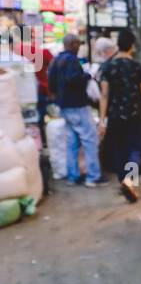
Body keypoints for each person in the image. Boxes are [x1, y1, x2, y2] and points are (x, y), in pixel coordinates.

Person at [98, 27, 141, 203]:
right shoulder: (137, 67)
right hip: (135, 115)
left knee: (120, 150)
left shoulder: (108, 67)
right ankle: (130, 181)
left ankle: (125, 181)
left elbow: (104, 95)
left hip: (115, 116)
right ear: (132, 46)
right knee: (136, 149)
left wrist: (102, 120)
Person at [47, 33, 104, 187]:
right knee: (90, 139)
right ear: (72, 44)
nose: (79, 47)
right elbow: (74, 80)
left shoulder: (56, 60)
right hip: (77, 105)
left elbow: (51, 84)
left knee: (72, 141)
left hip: (64, 106)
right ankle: (93, 176)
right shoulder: (71, 60)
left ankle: (73, 176)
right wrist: (87, 75)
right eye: (78, 44)